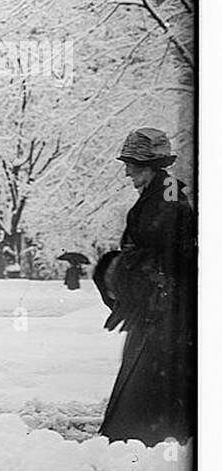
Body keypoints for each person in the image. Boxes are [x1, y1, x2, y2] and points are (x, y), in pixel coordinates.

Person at [93, 128, 195, 445]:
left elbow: (172, 255)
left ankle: (141, 448)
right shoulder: (161, 193)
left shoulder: (168, 195)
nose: (127, 173)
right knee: (145, 384)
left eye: (132, 166)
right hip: (157, 309)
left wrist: (129, 272)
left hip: (166, 312)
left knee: (148, 388)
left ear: (150, 165)